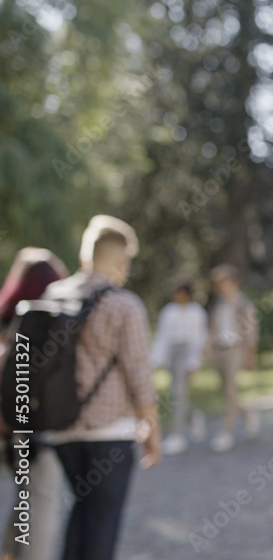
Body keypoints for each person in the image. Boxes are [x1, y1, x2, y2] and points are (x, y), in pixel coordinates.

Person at [42, 215, 161, 560]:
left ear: (86, 256)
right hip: (110, 432)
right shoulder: (124, 304)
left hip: (61, 430)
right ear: (122, 261)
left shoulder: (53, 296)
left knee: (81, 514)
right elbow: (139, 375)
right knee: (102, 525)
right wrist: (152, 430)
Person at [0, 248, 69, 560]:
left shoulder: (6, 321)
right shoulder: (56, 324)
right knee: (38, 502)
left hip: (7, 427)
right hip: (38, 430)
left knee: (20, 500)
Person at [149, 280, 208, 456]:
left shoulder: (197, 312)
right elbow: (163, 336)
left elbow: (200, 339)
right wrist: (155, 360)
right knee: (177, 393)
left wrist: (193, 363)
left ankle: (178, 436)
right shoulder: (168, 312)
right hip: (173, 355)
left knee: (177, 393)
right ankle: (194, 417)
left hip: (187, 352)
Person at [206, 264, 259, 453]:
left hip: (236, 350)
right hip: (220, 350)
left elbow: (251, 333)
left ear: (233, 282)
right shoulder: (218, 304)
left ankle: (225, 433)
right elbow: (213, 329)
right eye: (218, 283)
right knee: (225, 391)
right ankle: (246, 414)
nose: (221, 286)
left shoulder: (243, 304)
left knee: (229, 388)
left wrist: (250, 356)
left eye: (224, 282)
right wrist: (208, 347)